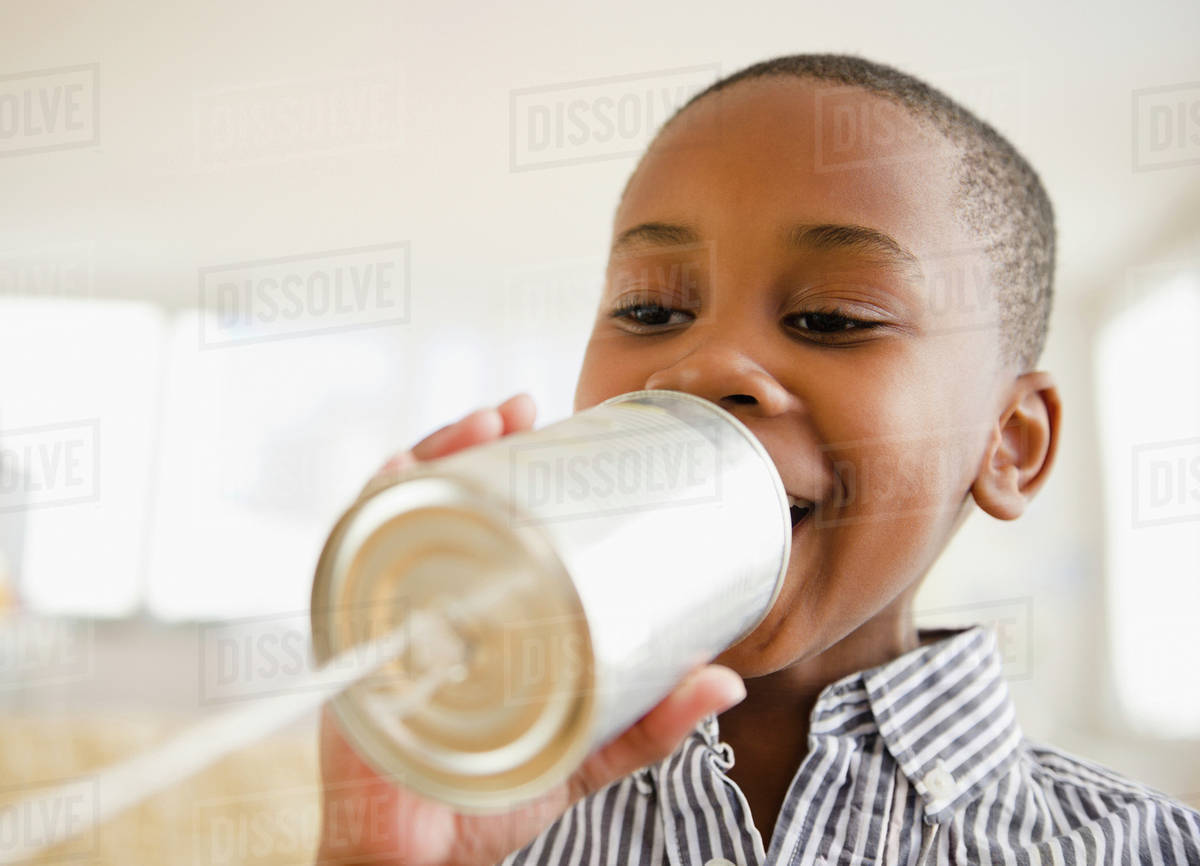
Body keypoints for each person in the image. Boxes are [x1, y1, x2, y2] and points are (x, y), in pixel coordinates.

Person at [315, 54, 1200, 865]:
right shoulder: (485, 826)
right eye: (651, 311)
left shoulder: (1147, 848)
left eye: (833, 317)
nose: (702, 367)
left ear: (1009, 445)